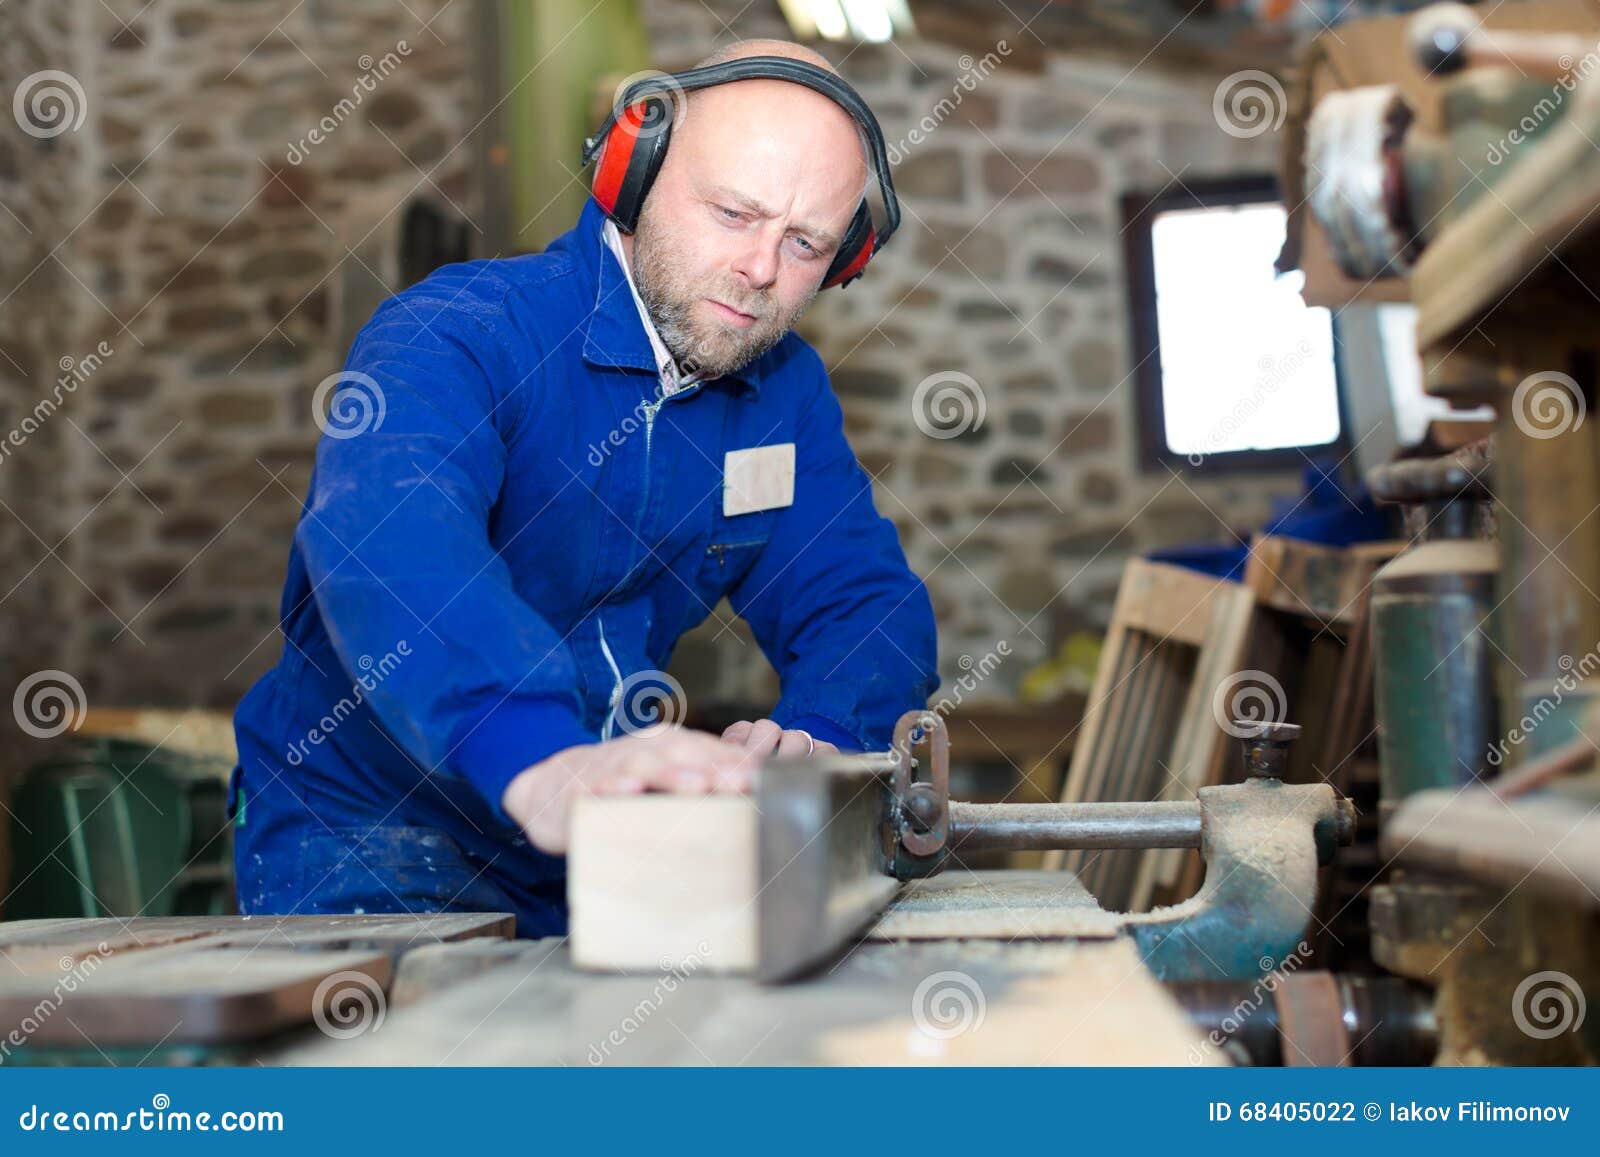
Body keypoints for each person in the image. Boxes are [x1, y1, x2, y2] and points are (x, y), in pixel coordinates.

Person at [230, 39, 938, 936]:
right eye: (732, 212)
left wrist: (822, 738)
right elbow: (393, 539)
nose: (761, 270)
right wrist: (536, 753)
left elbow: (862, 599)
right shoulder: (454, 334)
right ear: (629, 175)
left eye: (804, 243)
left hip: (592, 837)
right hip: (372, 833)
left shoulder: (781, 392)